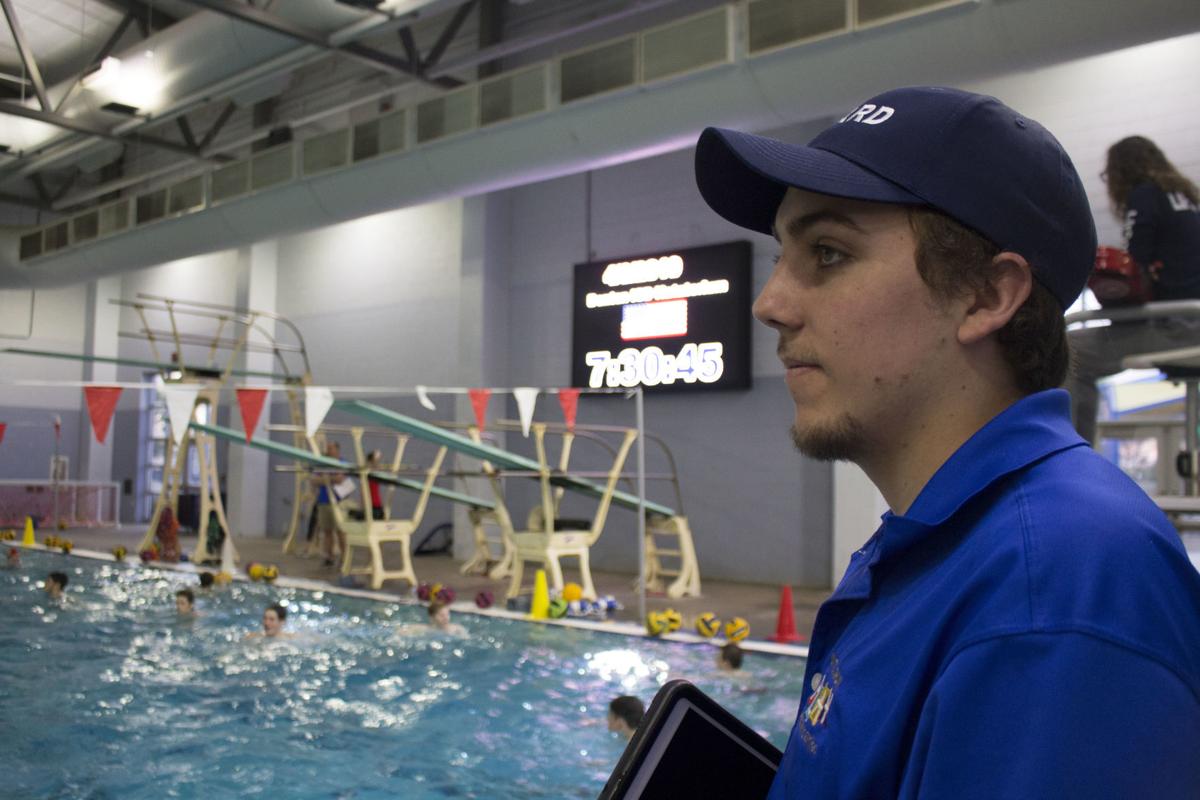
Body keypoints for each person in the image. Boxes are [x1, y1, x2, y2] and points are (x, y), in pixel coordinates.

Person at [693, 86, 1200, 798]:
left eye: (829, 253)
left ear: (988, 297)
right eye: (783, 254)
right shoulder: (950, 544)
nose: (769, 303)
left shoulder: (1055, 593)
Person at [1068, 135, 1200, 444]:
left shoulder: (1144, 196)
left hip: (1177, 327)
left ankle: (1071, 460)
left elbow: (1134, 268)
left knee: (1070, 351)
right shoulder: (1187, 199)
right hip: (1191, 322)